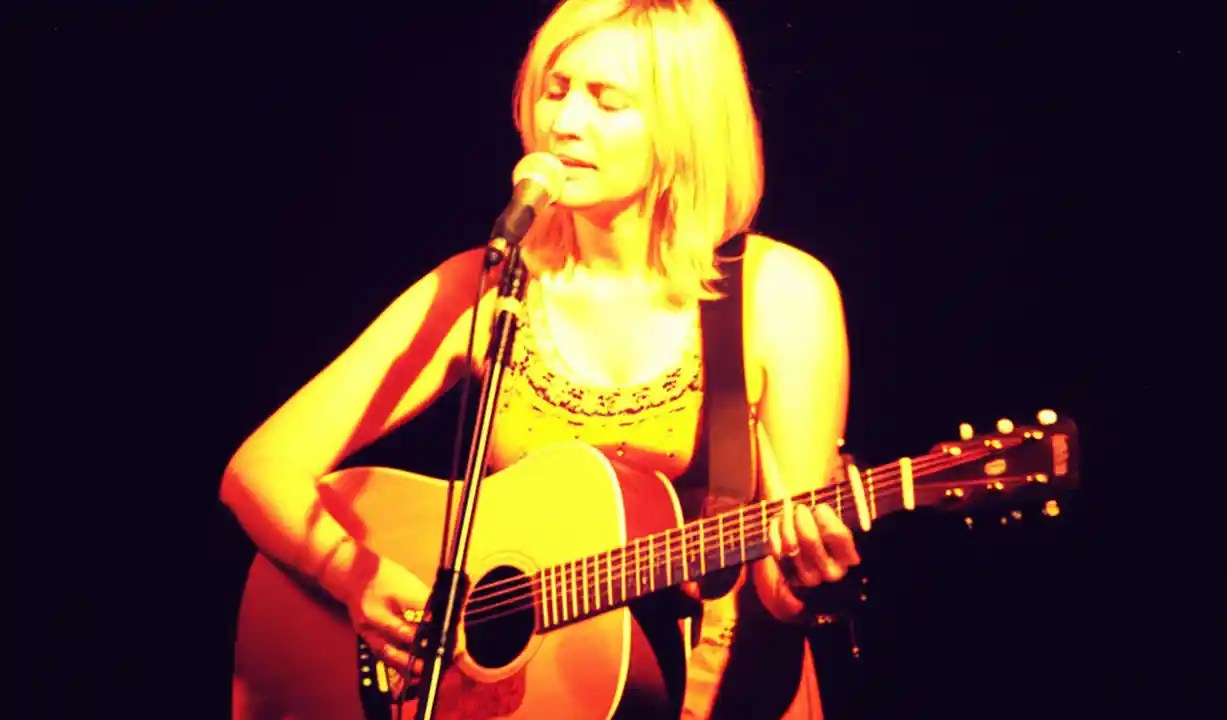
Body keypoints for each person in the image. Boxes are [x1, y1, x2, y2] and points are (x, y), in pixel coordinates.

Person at [220, 0, 859, 717]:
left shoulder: (779, 296)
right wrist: (354, 575)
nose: (564, 123)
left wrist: (812, 580)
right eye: (556, 90)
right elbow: (258, 470)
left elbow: (782, 587)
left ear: (687, 129)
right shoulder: (489, 284)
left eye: (606, 100)